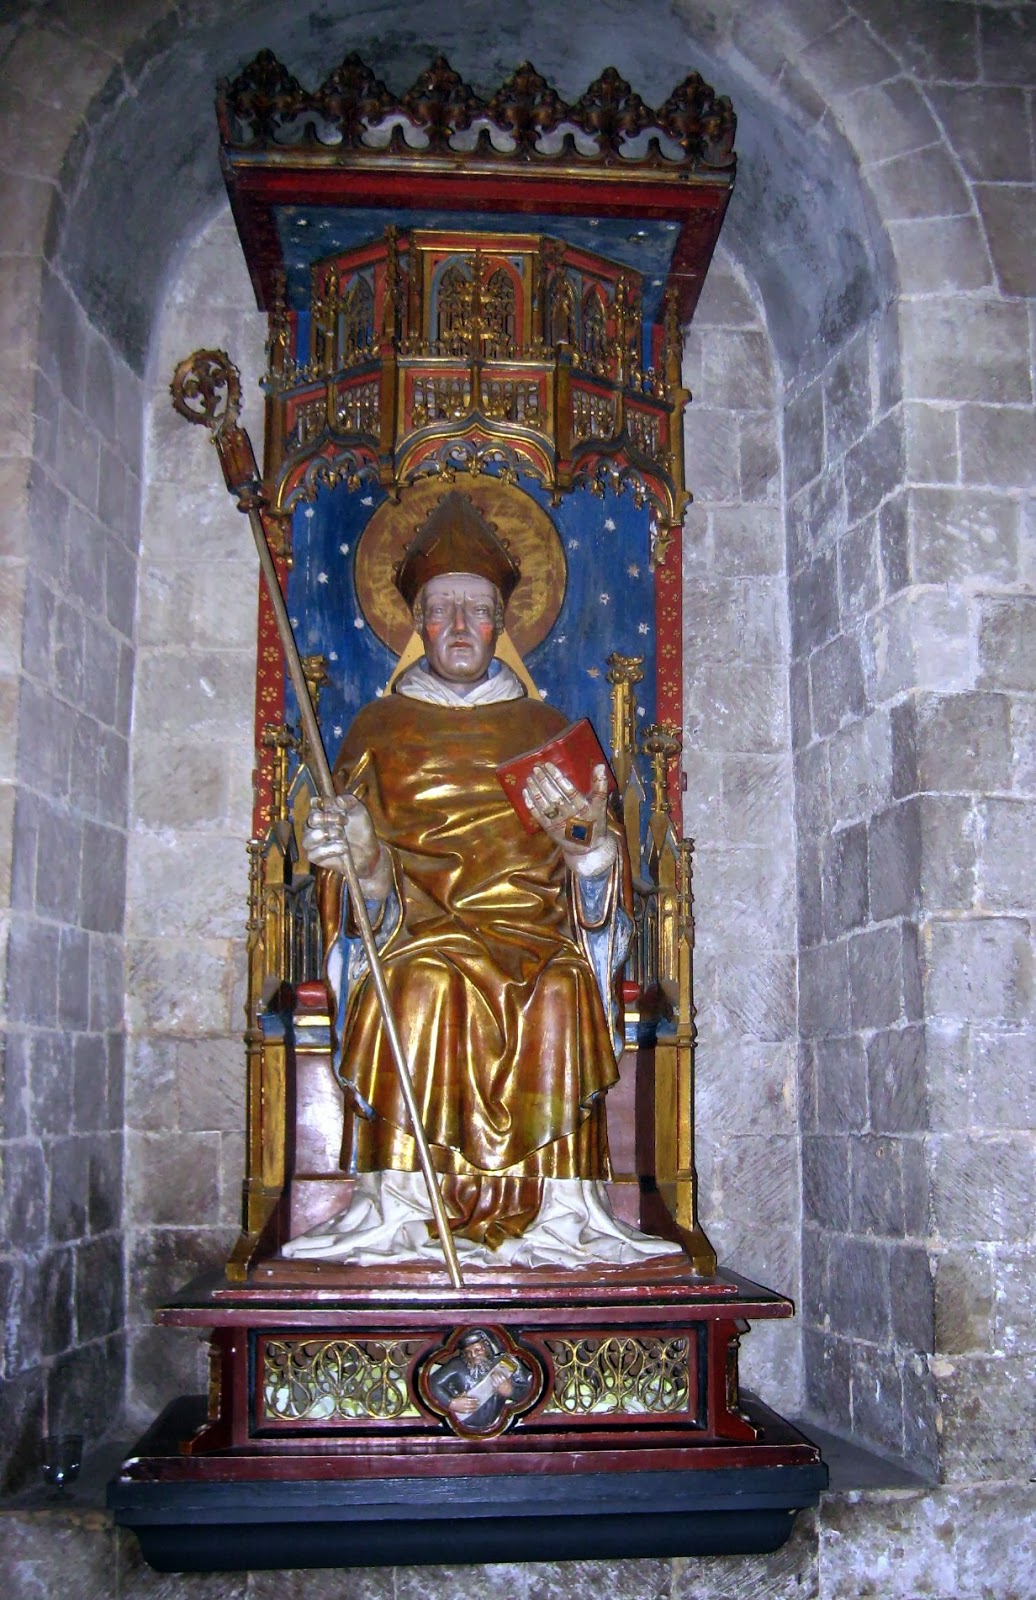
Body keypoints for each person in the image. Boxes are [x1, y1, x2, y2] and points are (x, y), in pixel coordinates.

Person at [282, 491, 674, 1267]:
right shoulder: (375, 730)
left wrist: (589, 853)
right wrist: (362, 855)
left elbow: (599, 889)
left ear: (503, 623)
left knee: (562, 986)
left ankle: (563, 1210)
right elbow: (343, 892)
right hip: (415, 937)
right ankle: (401, 1204)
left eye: (477, 610)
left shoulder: (550, 733)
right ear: (416, 623)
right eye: (441, 609)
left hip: (537, 940)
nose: (460, 625)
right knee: (421, 984)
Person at [425, 1329, 535, 1433]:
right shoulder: (456, 1365)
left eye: (478, 1350)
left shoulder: (507, 1363)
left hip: (499, 1424)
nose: (473, 1355)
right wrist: (451, 1402)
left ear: (487, 1347)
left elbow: (531, 1389)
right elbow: (432, 1383)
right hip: (460, 1423)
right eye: (468, 1352)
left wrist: (510, 1391)